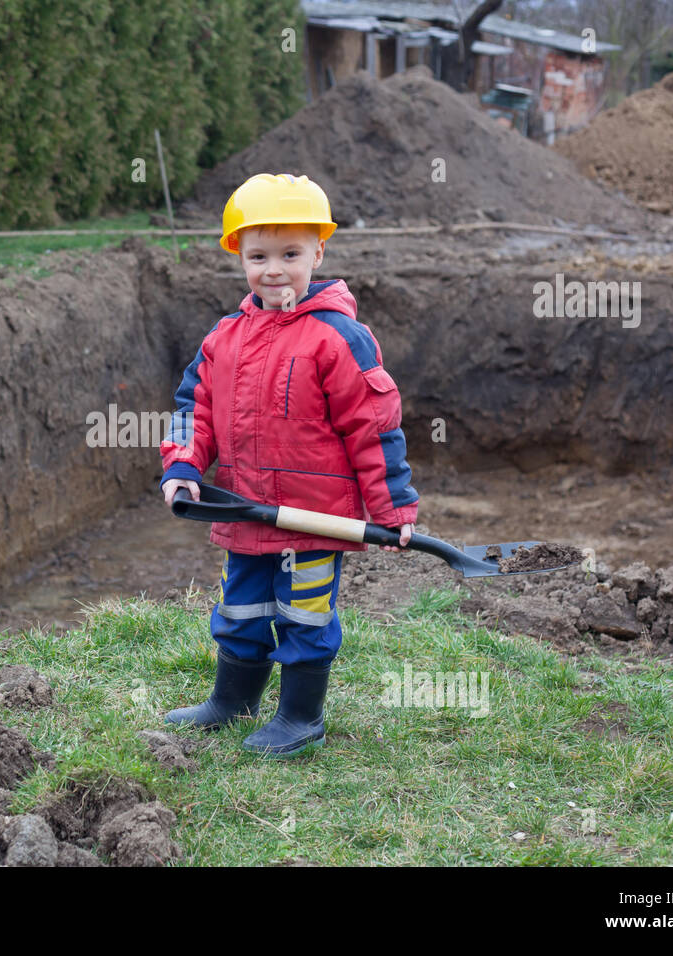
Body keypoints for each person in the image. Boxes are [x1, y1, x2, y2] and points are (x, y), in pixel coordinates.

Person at [158, 173, 419, 758]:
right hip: (245, 511)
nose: (273, 269)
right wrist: (182, 468)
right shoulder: (223, 339)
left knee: (303, 619)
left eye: (291, 254)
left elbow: (374, 427)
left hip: (312, 520)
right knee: (240, 609)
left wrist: (393, 508)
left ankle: (302, 716)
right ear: (239, 258)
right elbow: (190, 409)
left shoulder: (337, 338)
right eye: (258, 256)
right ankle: (233, 700)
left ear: (319, 252)